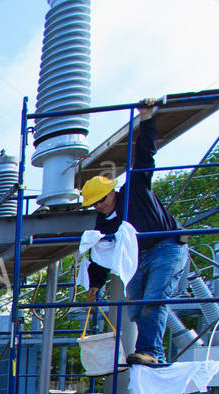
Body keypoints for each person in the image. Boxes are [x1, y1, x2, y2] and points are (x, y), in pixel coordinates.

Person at [81, 97, 189, 366]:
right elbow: (102, 252)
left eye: (102, 199)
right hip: (140, 256)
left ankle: (151, 352)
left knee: (154, 298)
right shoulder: (104, 222)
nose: (99, 206)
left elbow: (144, 155)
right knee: (138, 306)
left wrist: (146, 118)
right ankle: (150, 351)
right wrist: (95, 284)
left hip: (167, 246)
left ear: (112, 192)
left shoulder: (135, 190)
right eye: (94, 203)